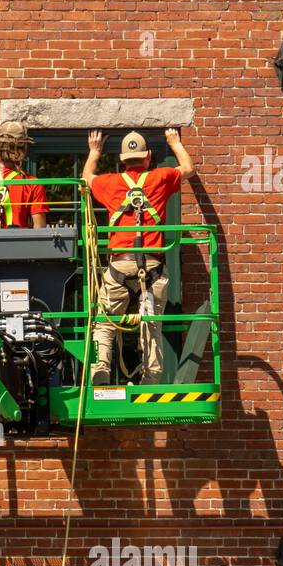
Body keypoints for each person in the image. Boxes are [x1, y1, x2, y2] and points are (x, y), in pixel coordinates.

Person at [81, 127, 195, 385]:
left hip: (119, 266)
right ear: (148, 157)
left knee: (105, 323)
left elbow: (86, 177)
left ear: (122, 160)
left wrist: (94, 151)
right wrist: (175, 143)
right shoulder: (161, 177)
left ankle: (101, 368)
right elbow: (188, 168)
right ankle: (152, 378)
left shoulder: (110, 182)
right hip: (153, 268)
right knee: (151, 325)